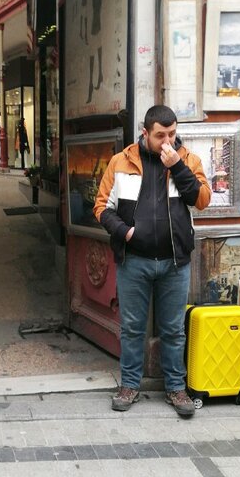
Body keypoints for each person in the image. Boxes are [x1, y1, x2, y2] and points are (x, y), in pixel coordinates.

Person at [94, 104, 211, 416]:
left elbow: (201, 200)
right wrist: (126, 233)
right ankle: (130, 385)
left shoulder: (187, 159)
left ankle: (176, 389)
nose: (168, 141)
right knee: (132, 327)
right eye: (161, 135)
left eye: (172, 134)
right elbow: (101, 207)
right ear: (145, 133)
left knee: (173, 329)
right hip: (134, 260)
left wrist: (178, 167)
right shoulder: (121, 161)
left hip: (175, 263)